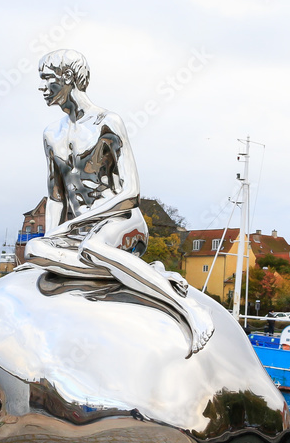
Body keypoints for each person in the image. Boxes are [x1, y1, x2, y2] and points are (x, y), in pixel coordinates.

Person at [23, 49, 213, 355]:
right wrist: (52, 236)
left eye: (46, 79)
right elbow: (56, 196)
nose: (42, 87)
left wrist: (74, 224)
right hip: (78, 235)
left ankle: (188, 310)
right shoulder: (50, 135)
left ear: (67, 78)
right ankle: (147, 274)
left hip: (122, 222)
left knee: (95, 248)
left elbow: (131, 193)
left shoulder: (107, 123)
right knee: (34, 249)